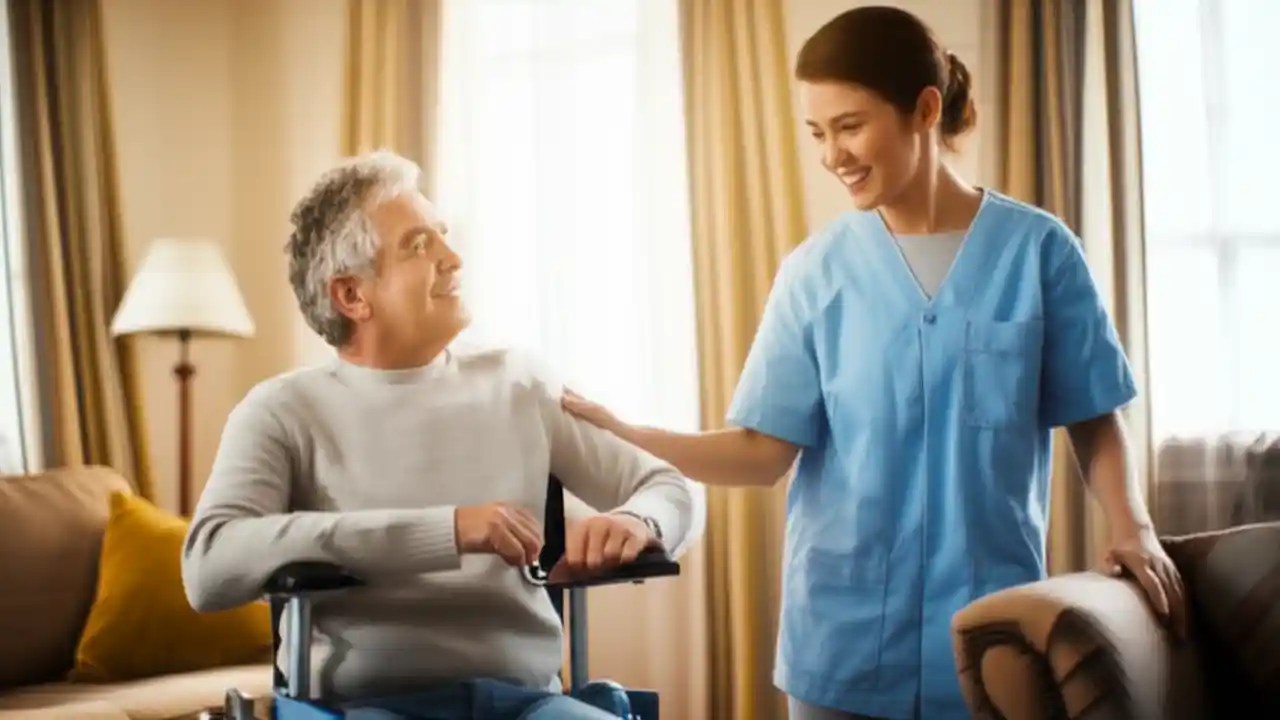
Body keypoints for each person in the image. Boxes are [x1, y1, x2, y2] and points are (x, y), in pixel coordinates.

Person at [561, 6, 1186, 720]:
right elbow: (764, 453)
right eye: (818, 133)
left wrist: (1131, 525)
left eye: (850, 126)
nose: (833, 155)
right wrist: (628, 431)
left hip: (990, 644)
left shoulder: (1039, 252)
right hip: (842, 644)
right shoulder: (814, 273)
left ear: (924, 110)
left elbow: (1093, 413)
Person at [181, 150, 700, 719]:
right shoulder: (282, 411)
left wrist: (637, 522)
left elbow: (670, 486)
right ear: (352, 295)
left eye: (443, 237)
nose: (453, 259)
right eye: (419, 246)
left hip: (529, 702)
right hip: (370, 706)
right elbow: (209, 567)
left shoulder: (520, 382)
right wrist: (445, 530)